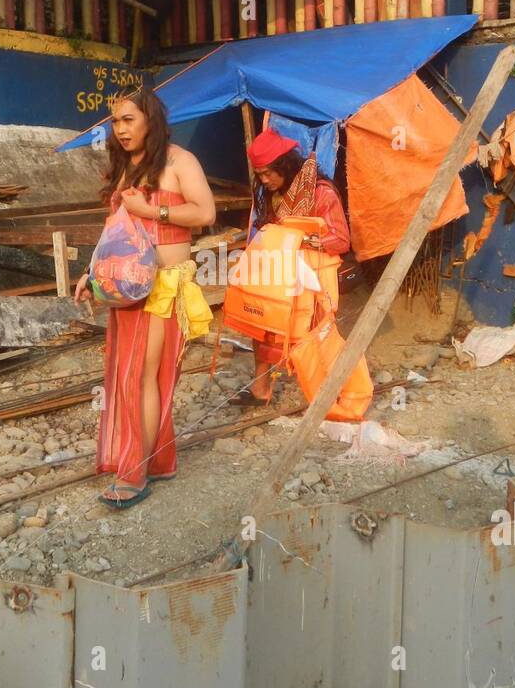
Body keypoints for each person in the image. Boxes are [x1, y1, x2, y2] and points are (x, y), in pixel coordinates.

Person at [74, 88, 217, 509]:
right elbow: (115, 232)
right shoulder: (125, 169)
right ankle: (160, 460)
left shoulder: (179, 161)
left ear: (150, 120)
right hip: (126, 288)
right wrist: (89, 271)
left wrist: (152, 212)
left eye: (128, 120)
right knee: (132, 375)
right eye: (115, 121)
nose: (120, 129)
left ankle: (134, 471)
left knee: (141, 377)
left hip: (162, 289)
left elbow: (205, 213)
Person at [236, 127, 351, 406]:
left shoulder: (320, 192)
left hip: (313, 280)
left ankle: (329, 396)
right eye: (259, 174)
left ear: (285, 166)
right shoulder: (275, 193)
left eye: (268, 173)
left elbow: (342, 240)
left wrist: (302, 238)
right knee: (261, 327)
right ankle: (261, 390)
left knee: (315, 336)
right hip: (281, 275)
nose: (264, 180)